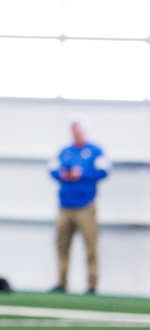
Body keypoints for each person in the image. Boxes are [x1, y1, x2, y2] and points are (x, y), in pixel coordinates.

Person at [49, 117, 108, 294]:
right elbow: (52, 169)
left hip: (85, 206)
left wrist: (81, 174)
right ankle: (61, 281)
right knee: (62, 244)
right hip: (65, 205)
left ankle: (92, 283)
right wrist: (64, 174)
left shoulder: (95, 151)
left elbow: (104, 170)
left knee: (90, 245)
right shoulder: (65, 151)